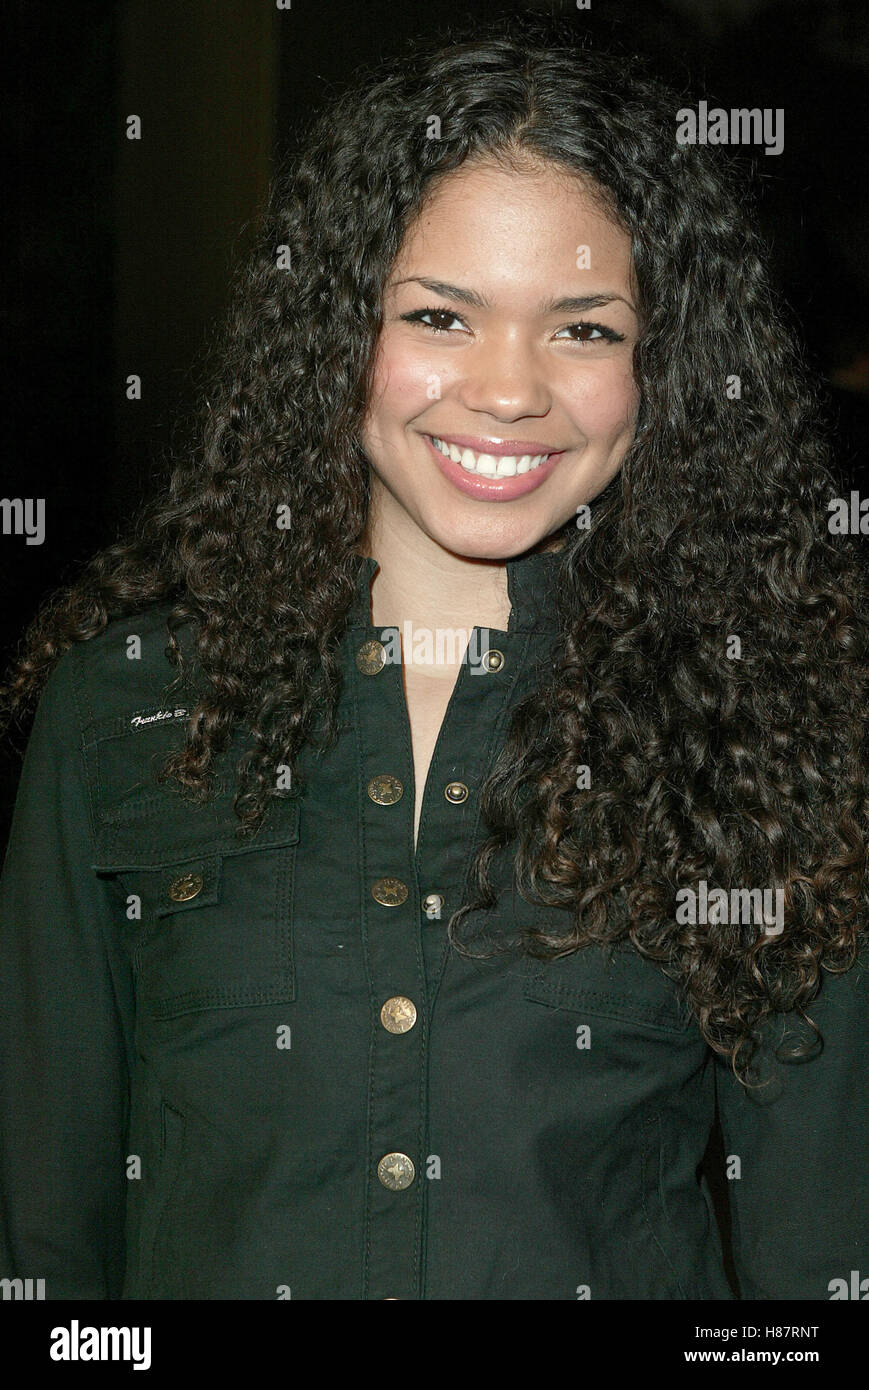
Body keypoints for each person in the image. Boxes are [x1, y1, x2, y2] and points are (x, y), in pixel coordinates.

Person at [1, 27, 867, 1302]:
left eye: (581, 328)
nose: (505, 389)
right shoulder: (121, 706)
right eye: (437, 315)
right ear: (334, 326)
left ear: (660, 367)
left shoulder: (765, 728)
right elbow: (45, 1240)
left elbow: (818, 1258)